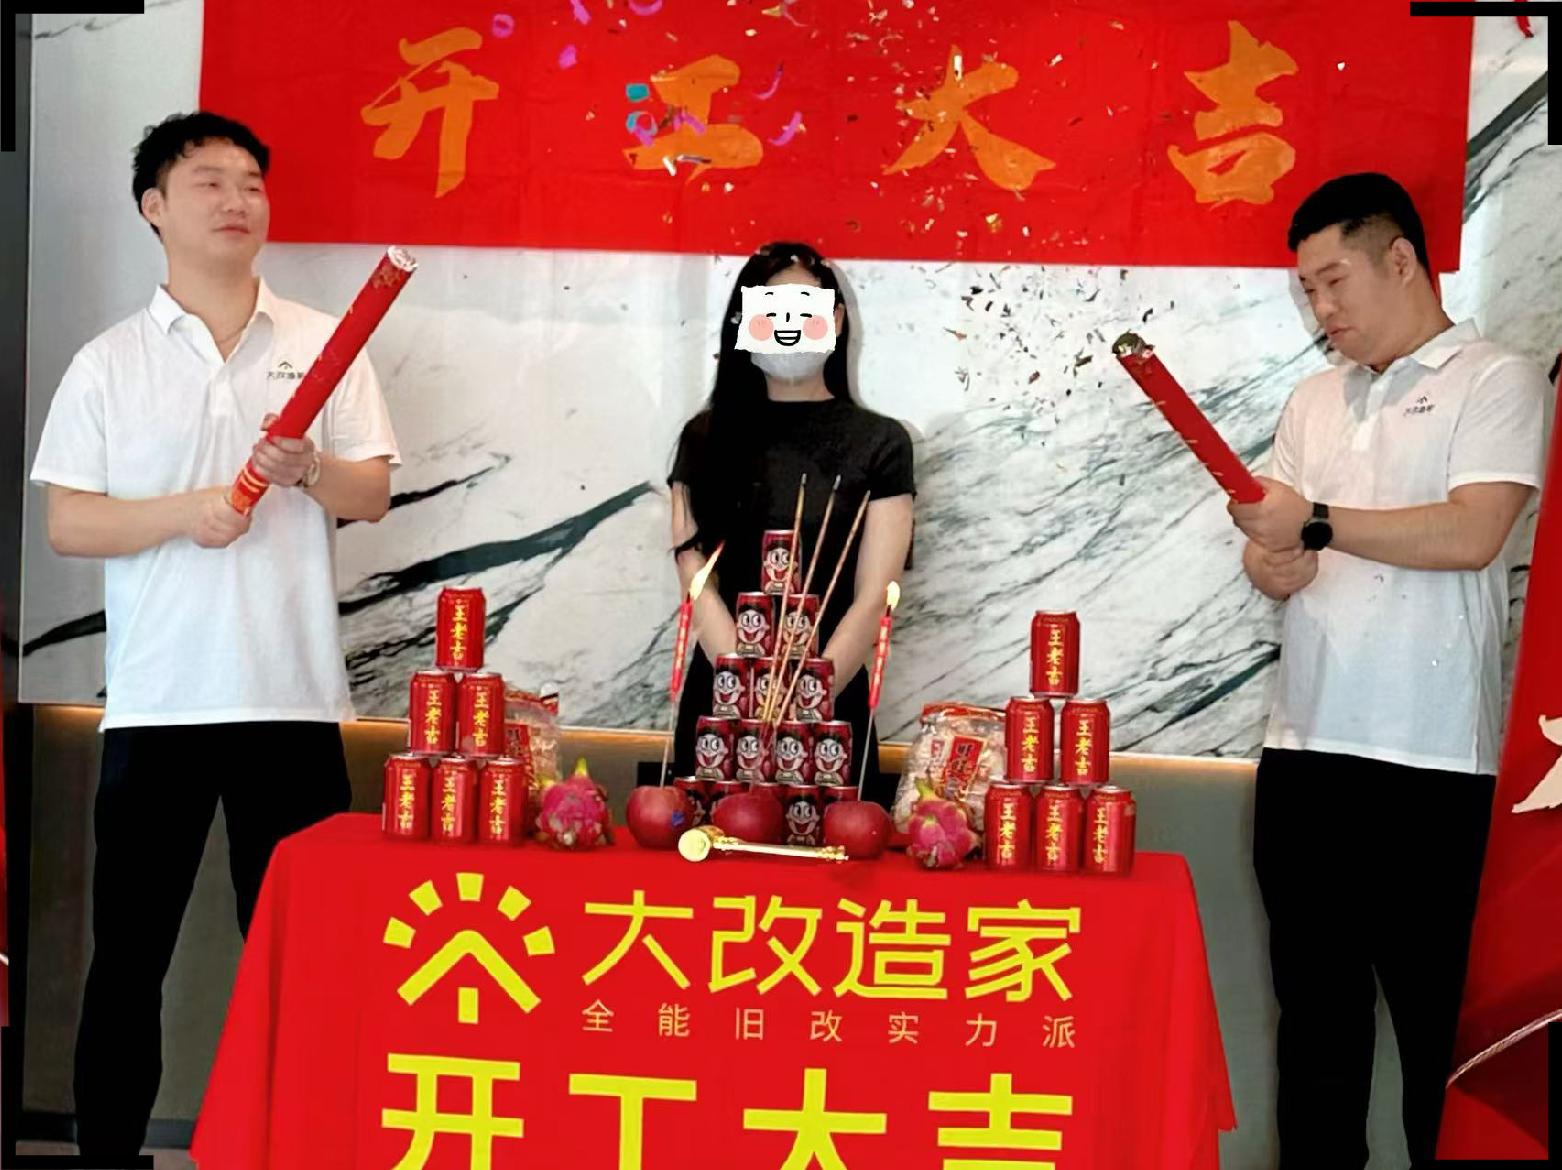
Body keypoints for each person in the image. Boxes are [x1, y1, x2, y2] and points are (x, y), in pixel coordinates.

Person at [29, 111, 400, 1161]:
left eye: (251, 182)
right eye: (208, 182)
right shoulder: (108, 363)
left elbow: (371, 493)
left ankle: (300, 1150)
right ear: (153, 207)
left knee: (305, 962)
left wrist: (309, 470)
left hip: (290, 699)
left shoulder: (326, 343)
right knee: (127, 963)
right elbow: (70, 523)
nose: (237, 200)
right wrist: (187, 511)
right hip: (159, 705)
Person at [1229, 172, 1550, 1167]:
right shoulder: (1313, 397)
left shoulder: (1494, 379)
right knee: (1315, 1042)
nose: (1320, 310)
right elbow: (1271, 550)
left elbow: (1472, 532)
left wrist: (1317, 525)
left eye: (1333, 282)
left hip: (1432, 768)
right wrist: (1274, 561)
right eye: (1306, 291)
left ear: (1400, 258)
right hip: (1302, 755)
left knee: (1434, 1044)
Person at [668, 242, 915, 808]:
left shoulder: (881, 443)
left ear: (836, 320)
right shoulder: (703, 439)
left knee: (830, 857)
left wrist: (808, 696)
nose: (787, 325)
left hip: (830, 709)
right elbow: (694, 576)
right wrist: (747, 687)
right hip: (721, 704)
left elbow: (876, 595)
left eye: (803, 309)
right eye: (770, 309)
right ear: (743, 322)